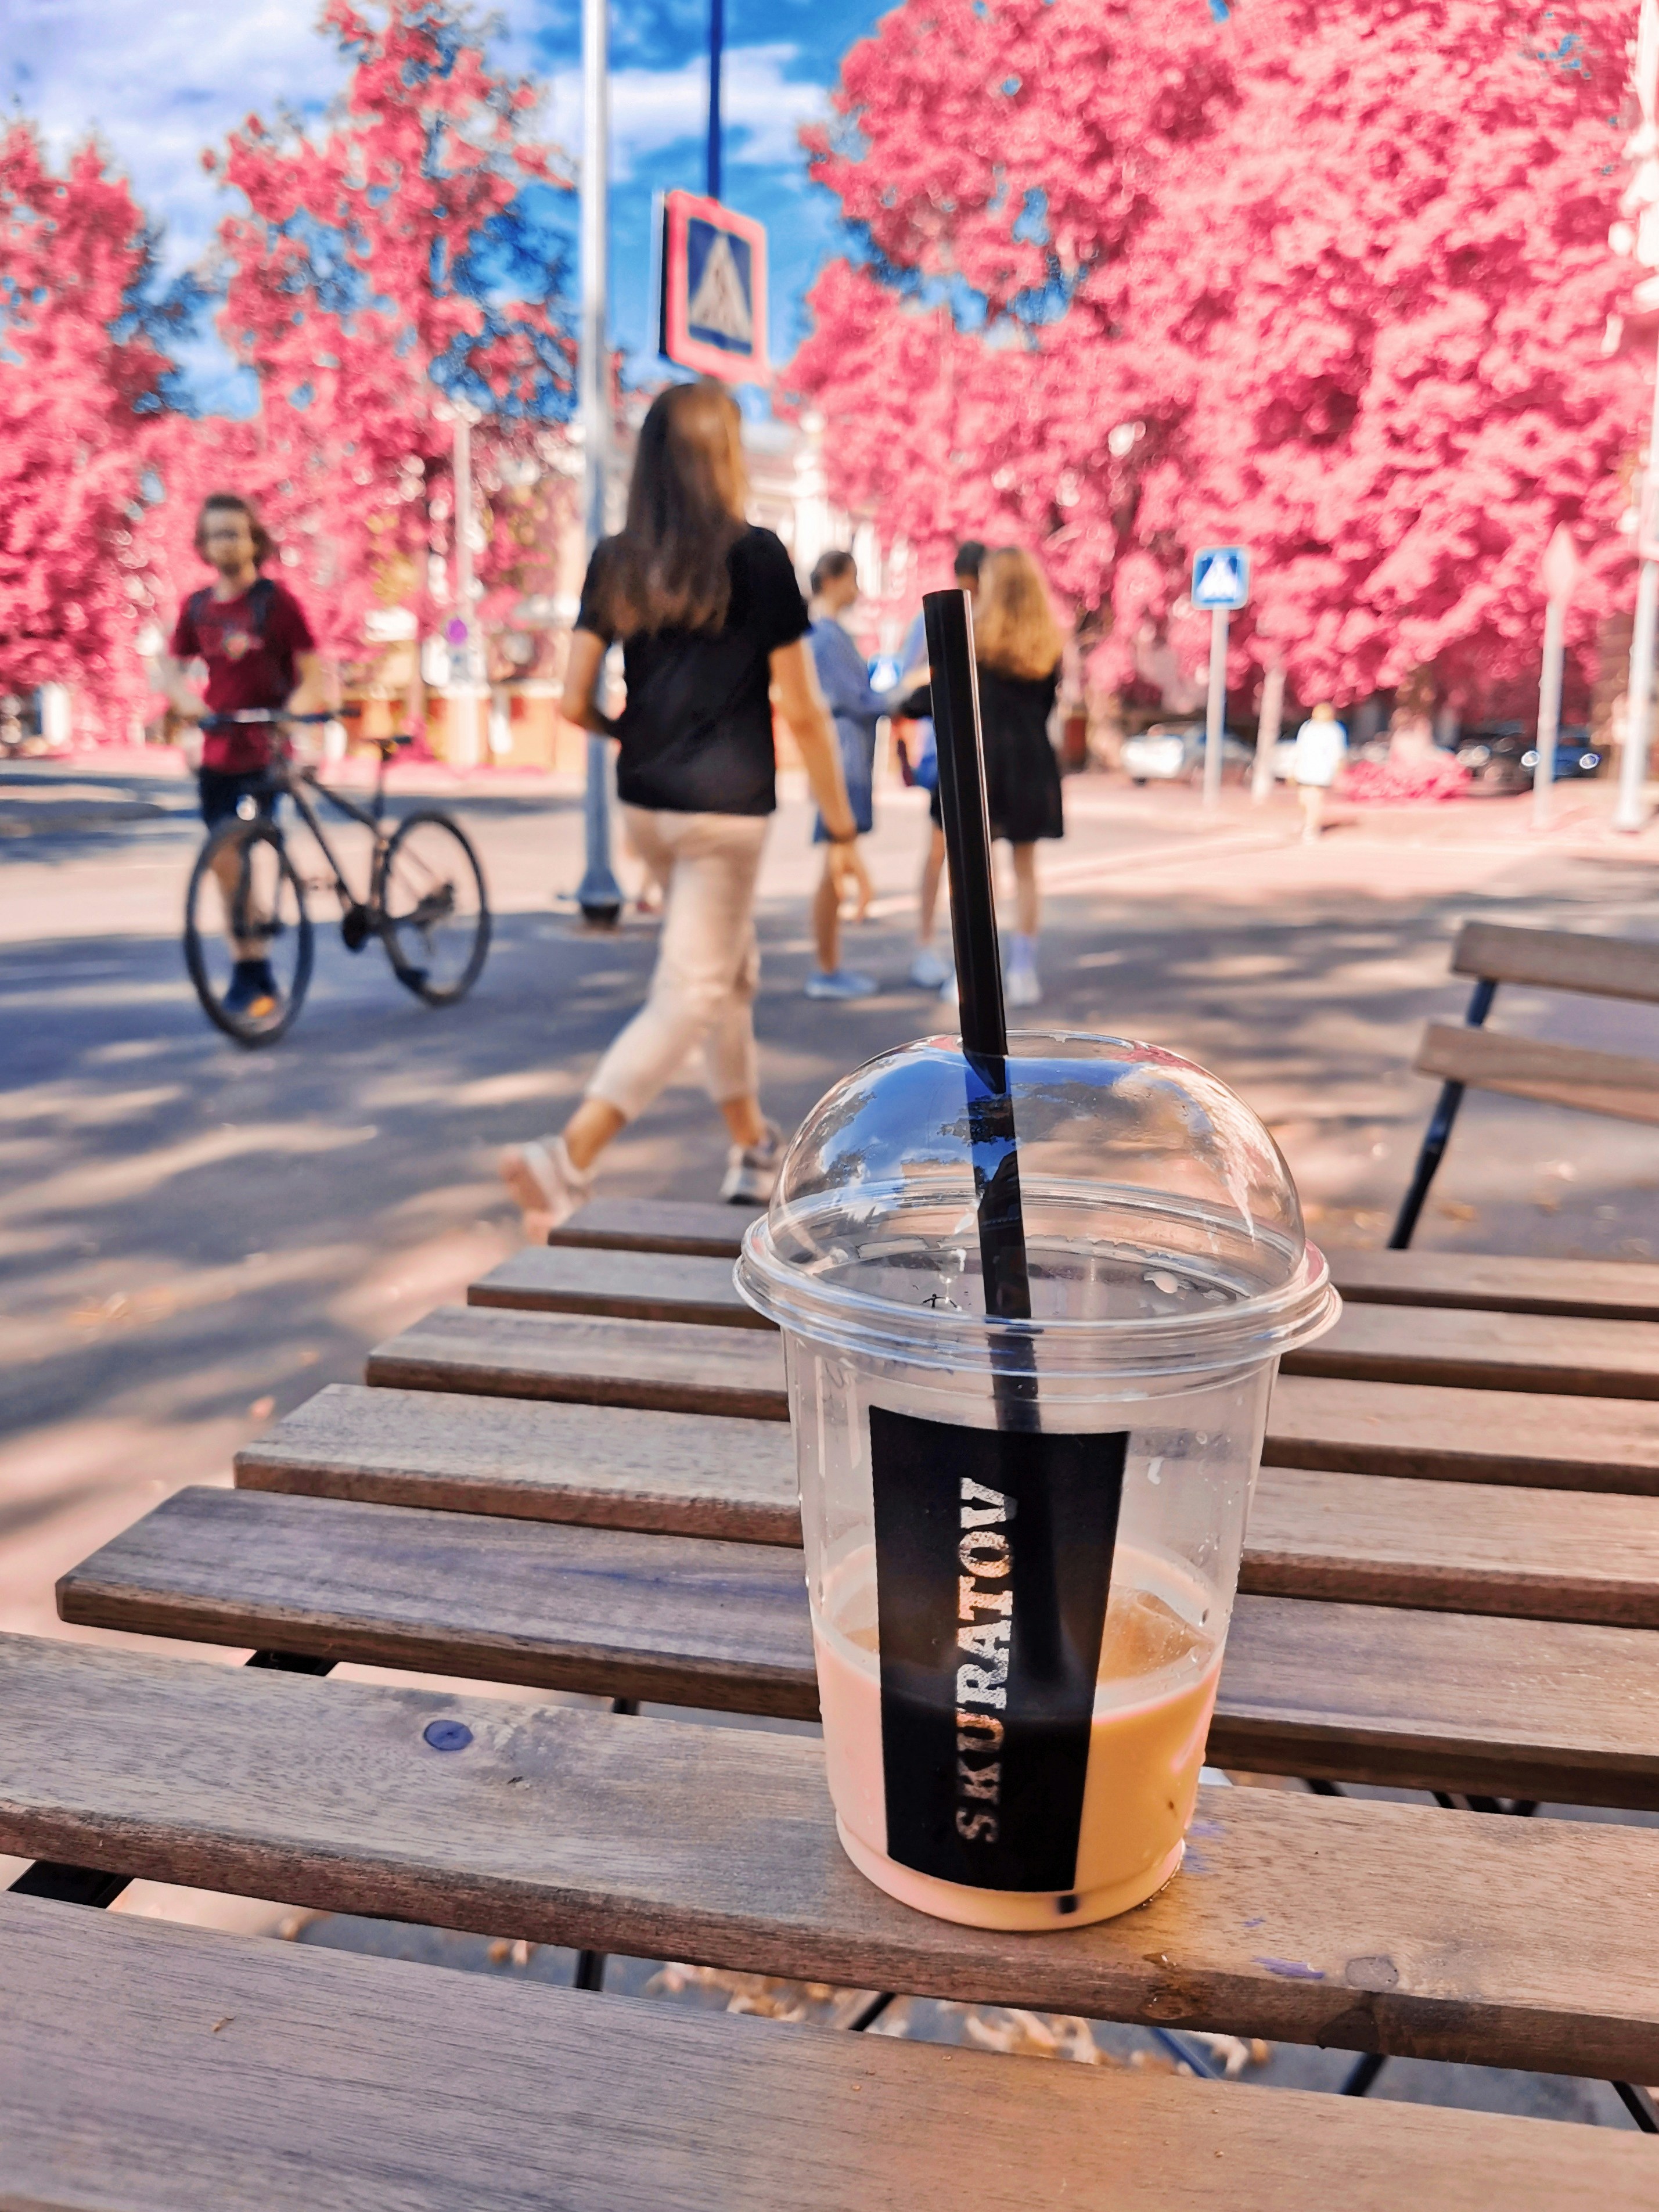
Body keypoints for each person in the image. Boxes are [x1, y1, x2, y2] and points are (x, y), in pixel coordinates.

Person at [500, 379, 859, 1232]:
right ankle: (568, 1157)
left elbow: (574, 696)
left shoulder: (617, 558)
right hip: (724, 814)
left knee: (728, 974)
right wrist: (842, 829)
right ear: (727, 456)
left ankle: (751, 1143)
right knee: (693, 987)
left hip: (646, 808)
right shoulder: (763, 557)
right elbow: (803, 710)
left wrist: (629, 734)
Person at [158, 494, 330, 1019]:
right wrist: (184, 699)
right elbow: (169, 664)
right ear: (202, 544)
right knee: (225, 866)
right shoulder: (197, 607)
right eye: (215, 534)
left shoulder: (275, 603)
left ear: (255, 538)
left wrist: (293, 712)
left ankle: (250, 972)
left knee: (241, 854)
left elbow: (314, 679)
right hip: (217, 756)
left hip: (264, 754)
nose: (225, 542)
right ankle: (253, 967)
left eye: (235, 532)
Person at [804, 550, 891, 1000]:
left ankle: (829, 965)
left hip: (846, 757)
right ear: (834, 579)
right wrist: (900, 695)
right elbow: (854, 699)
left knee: (834, 865)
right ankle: (826, 967)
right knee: (836, 861)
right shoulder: (823, 636)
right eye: (853, 579)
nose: (857, 589)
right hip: (841, 761)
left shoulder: (830, 634)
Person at [899, 541, 983, 988]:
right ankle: (929, 945)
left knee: (956, 857)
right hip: (948, 754)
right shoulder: (939, 621)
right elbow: (906, 679)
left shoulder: (991, 624)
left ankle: (948, 953)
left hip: (963, 755)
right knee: (944, 855)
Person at [1291, 700, 1347, 840]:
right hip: (1304, 769)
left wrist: (1338, 771)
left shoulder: (1334, 730)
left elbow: (1337, 753)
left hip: (1322, 771)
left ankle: (1312, 827)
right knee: (1304, 799)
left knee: (1315, 800)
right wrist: (1293, 768)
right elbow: (1299, 749)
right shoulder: (1308, 727)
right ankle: (1308, 821)